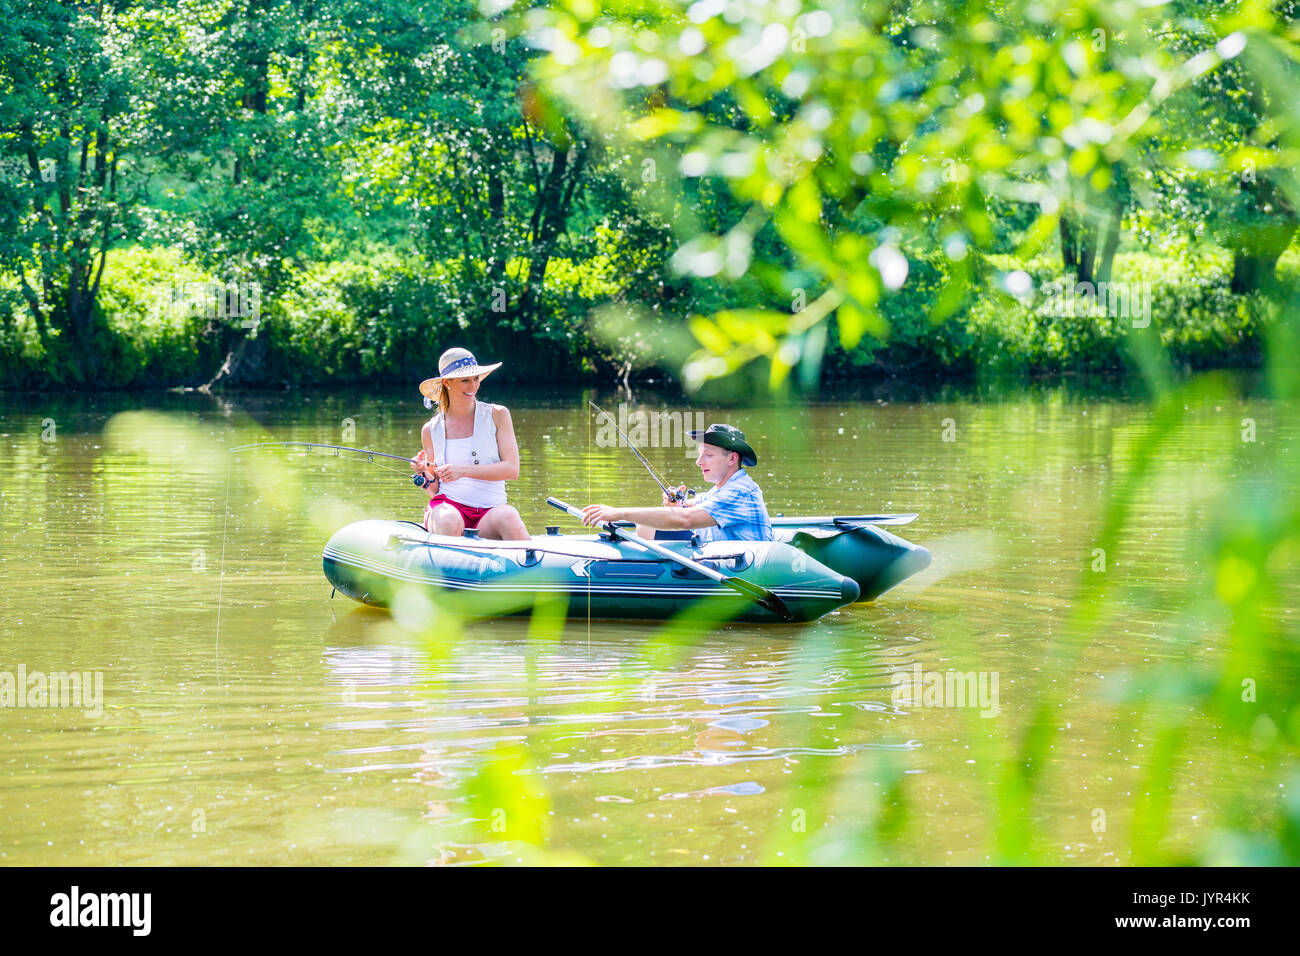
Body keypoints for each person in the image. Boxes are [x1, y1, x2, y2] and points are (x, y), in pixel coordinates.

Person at [580, 423, 773, 542]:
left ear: (732, 459)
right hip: (723, 559)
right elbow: (691, 506)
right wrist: (678, 503)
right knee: (645, 528)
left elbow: (685, 519)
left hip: (751, 571)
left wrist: (620, 512)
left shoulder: (739, 492)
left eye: (708, 455)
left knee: (646, 528)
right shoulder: (722, 491)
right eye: (700, 455)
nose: (699, 462)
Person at [411, 347, 529, 540]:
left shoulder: (498, 414)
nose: (473, 386)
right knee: (448, 520)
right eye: (465, 380)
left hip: (490, 511)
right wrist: (423, 473)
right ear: (447, 383)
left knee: (509, 517)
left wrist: (463, 471)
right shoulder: (430, 429)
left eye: (476, 379)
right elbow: (434, 489)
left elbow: (512, 469)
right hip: (449, 508)